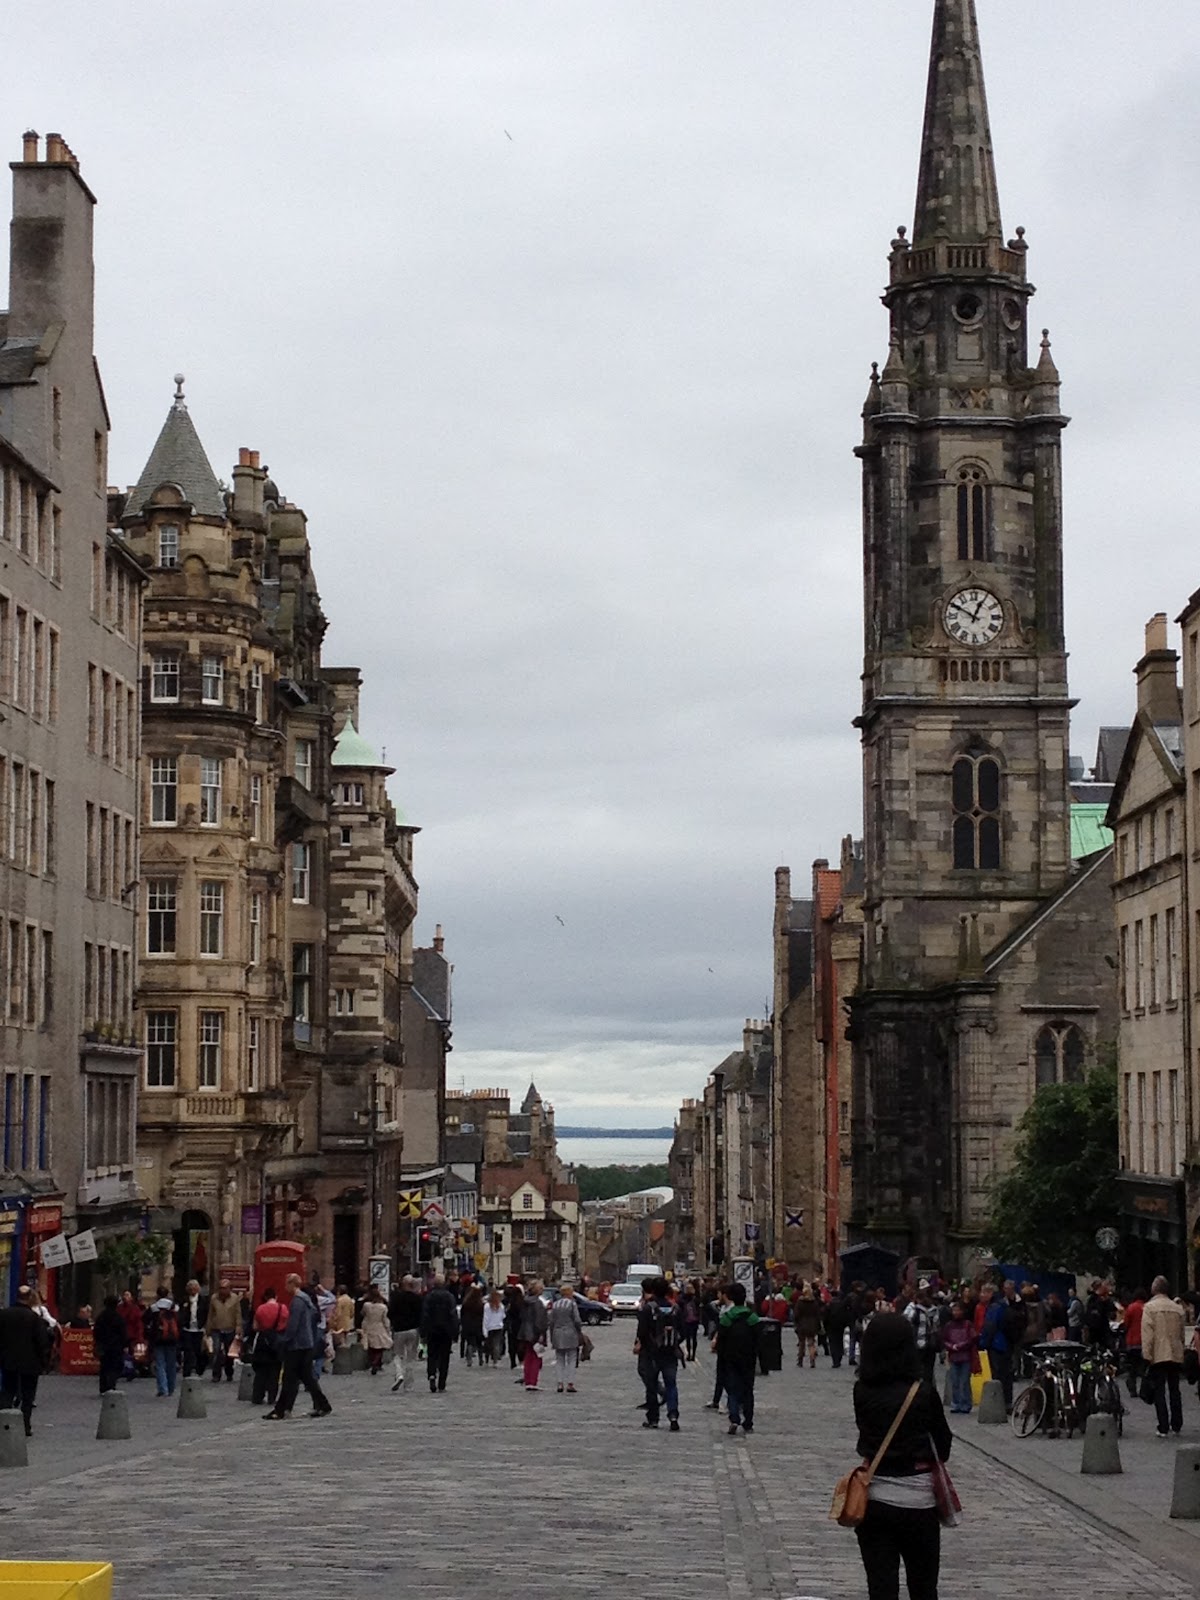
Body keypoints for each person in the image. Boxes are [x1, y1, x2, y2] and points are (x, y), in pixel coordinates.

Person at [852, 1311, 953, 1600]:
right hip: (918, 1502)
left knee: (881, 1588)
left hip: (875, 1498)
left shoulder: (861, 1391)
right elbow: (942, 1445)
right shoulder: (922, 1392)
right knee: (923, 1588)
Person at [264, 1274, 332, 1420]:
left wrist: (283, 1340)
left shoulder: (297, 1301)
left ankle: (281, 1410)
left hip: (297, 1345)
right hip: (306, 1343)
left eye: (286, 1284)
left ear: (291, 1284)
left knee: (291, 1377)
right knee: (305, 1377)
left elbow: (293, 1326)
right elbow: (314, 1316)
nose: (284, 1287)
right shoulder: (306, 1300)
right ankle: (321, 1405)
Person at [0, 1285, 53, 1436]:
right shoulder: (34, 1318)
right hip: (30, 1363)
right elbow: (42, 1341)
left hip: (8, 1361)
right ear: (30, 1298)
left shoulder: (4, 1315)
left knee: (8, 1391)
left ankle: (4, 1422)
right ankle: (25, 1425)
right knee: (28, 1395)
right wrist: (44, 1361)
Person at [636, 1276, 684, 1431]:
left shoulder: (648, 1308)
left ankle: (653, 1418)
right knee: (671, 1385)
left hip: (652, 1353)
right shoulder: (675, 1308)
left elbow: (642, 1332)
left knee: (651, 1385)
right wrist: (675, 1343)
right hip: (670, 1352)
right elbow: (683, 1331)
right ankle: (673, 1415)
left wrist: (644, 1345)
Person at [1142, 1275, 1186, 1438]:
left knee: (1159, 1390)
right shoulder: (1177, 1308)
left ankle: (1163, 1425)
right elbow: (1182, 1333)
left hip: (1158, 1353)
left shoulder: (1149, 1307)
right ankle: (1177, 1424)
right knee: (1175, 1389)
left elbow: (1148, 1334)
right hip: (1175, 1352)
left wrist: (1146, 1355)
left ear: (1155, 1289)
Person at [715, 1281, 759, 1435]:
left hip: (730, 1359)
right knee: (748, 1390)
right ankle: (748, 1420)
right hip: (748, 1359)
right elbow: (758, 1339)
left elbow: (721, 1339)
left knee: (732, 1389)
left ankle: (734, 1418)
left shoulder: (727, 1317)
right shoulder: (752, 1318)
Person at [421, 1274, 459, 1394]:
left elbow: (425, 1314)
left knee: (432, 1354)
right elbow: (453, 1314)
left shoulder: (429, 1297)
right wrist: (455, 1332)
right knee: (444, 1356)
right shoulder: (449, 1297)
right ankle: (442, 1382)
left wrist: (423, 1331)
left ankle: (432, 1374)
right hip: (446, 1330)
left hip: (432, 1330)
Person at [250, 1287, 286, 1408]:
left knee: (261, 1371)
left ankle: (257, 1396)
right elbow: (286, 1325)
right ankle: (272, 1397)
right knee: (275, 1371)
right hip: (277, 1343)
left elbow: (255, 1327)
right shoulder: (283, 1308)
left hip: (263, 1342)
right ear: (275, 1296)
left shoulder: (260, 1309)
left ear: (265, 1297)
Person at [940, 1300, 978, 1414]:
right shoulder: (949, 1326)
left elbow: (972, 1338)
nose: (956, 1313)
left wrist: (960, 1346)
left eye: (958, 1310)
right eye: (954, 1310)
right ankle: (956, 1403)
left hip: (965, 1356)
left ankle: (966, 1404)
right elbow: (944, 1339)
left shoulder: (967, 1324)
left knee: (964, 1381)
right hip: (953, 1356)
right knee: (955, 1381)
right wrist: (951, 1346)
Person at [388, 1274, 423, 1391]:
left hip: (399, 1330)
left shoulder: (396, 1298)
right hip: (413, 1330)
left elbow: (390, 1313)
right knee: (411, 1357)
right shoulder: (417, 1298)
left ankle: (399, 1374)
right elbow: (421, 1315)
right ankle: (409, 1385)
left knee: (397, 1355)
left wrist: (393, 1323)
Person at [547, 1283, 583, 1393]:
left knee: (559, 1359)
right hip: (570, 1332)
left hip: (557, 1333)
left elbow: (551, 1321)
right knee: (572, 1359)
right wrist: (579, 1331)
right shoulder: (572, 1304)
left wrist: (551, 1334)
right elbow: (577, 1320)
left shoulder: (555, 1304)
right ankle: (570, 1383)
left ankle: (559, 1383)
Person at [145, 1286, 180, 1397]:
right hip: (172, 1338)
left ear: (157, 1294)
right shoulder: (174, 1306)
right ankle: (171, 1388)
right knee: (171, 1364)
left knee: (160, 1364)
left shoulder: (154, 1307)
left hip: (158, 1339)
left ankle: (162, 1389)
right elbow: (180, 1320)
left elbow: (145, 1319)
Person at [205, 1278, 241, 1382]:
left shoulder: (235, 1298)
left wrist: (239, 1327)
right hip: (216, 1328)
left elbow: (238, 1313)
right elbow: (210, 1314)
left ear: (230, 1289)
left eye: (225, 1288)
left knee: (230, 1353)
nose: (222, 1290)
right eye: (221, 1288)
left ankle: (229, 1372)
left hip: (230, 1328)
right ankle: (216, 1374)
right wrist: (208, 1328)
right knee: (216, 1351)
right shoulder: (214, 1298)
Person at [518, 1280, 549, 1391]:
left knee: (528, 1357)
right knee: (535, 1358)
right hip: (534, 1332)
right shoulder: (537, 1303)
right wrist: (541, 1333)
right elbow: (539, 1320)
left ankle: (528, 1380)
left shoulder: (525, 1301)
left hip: (525, 1332)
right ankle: (533, 1381)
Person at [93, 1296, 127, 1394]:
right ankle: (111, 1385)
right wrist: (124, 1344)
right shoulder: (118, 1317)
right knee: (114, 1366)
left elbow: (96, 1331)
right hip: (116, 1346)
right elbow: (123, 1333)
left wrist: (98, 1342)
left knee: (104, 1366)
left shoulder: (101, 1316)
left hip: (104, 1345)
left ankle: (103, 1387)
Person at [179, 1279, 209, 1377]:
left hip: (199, 1330)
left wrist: (206, 1326)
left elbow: (207, 1314)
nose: (192, 1290)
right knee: (188, 1350)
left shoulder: (203, 1300)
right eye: (190, 1288)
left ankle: (199, 1369)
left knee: (199, 1351)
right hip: (187, 1329)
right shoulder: (184, 1300)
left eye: (194, 1288)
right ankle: (187, 1371)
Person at [359, 1283, 392, 1374]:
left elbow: (362, 1314)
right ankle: (376, 1363)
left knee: (371, 1346)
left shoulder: (366, 1305)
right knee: (380, 1347)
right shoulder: (383, 1307)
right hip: (379, 1327)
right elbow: (385, 1319)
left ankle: (372, 1362)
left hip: (368, 1326)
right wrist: (388, 1329)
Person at [1122, 1286, 1147, 1398]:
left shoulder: (1131, 1308)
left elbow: (1126, 1324)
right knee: (1143, 1367)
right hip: (1144, 1342)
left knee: (1132, 1367)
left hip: (1132, 1342)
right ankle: (1144, 1389)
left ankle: (1132, 1388)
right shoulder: (1147, 1308)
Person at [794, 1284, 823, 1368]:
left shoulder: (800, 1302)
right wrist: (818, 1325)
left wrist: (796, 1323)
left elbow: (796, 1314)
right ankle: (812, 1359)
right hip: (812, 1324)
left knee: (801, 1343)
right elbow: (818, 1314)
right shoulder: (814, 1302)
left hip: (802, 1324)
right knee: (811, 1343)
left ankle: (800, 1360)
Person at [483, 1289, 507, 1365]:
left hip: (489, 1327)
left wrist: (484, 1329)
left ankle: (487, 1358)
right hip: (498, 1326)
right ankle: (495, 1361)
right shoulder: (501, 1306)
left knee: (488, 1344)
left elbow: (486, 1318)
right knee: (496, 1344)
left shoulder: (487, 1306)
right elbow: (503, 1316)